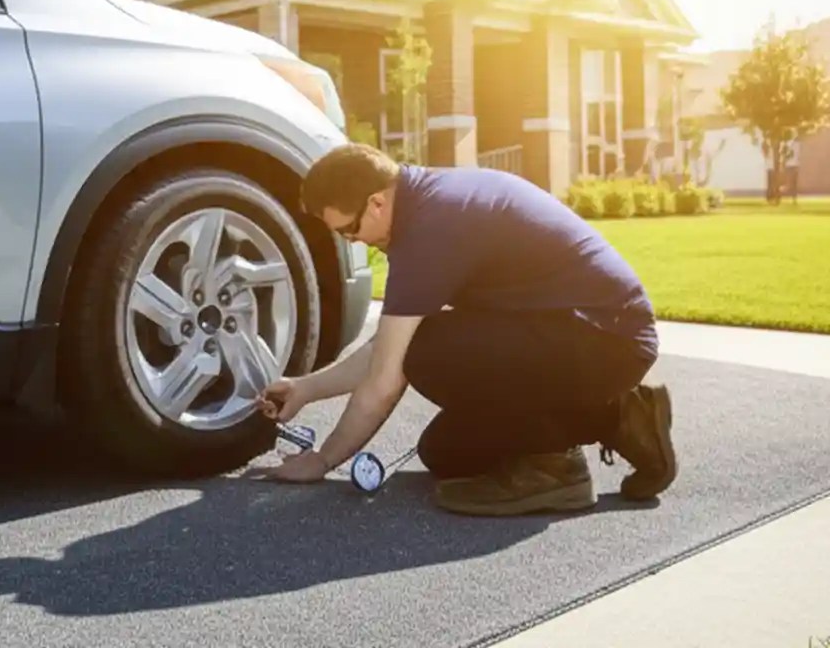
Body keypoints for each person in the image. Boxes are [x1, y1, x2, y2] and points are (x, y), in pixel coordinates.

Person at [254, 143, 677, 516]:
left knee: (427, 354)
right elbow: (388, 346)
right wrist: (306, 388)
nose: (354, 242)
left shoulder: (429, 230)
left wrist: (323, 460)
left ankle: (556, 469)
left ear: (377, 203)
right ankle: (618, 415)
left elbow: (387, 377)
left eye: (349, 230)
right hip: (575, 334)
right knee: (447, 451)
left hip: (607, 337)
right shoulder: (426, 199)